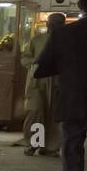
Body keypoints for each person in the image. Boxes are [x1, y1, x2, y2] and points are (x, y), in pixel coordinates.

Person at [34, 0, 87, 171]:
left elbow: (42, 68)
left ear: (79, 6)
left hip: (73, 102)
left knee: (72, 158)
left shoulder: (64, 34)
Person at [20, 13, 64, 156]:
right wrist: (35, 63)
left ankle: (50, 147)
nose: (53, 27)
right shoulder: (37, 40)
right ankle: (34, 144)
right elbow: (25, 58)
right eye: (52, 24)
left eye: (57, 24)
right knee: (35, 112)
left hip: (57, 81)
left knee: (53, 114)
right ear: (47, 25)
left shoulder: (67, 40)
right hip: (37, 81)